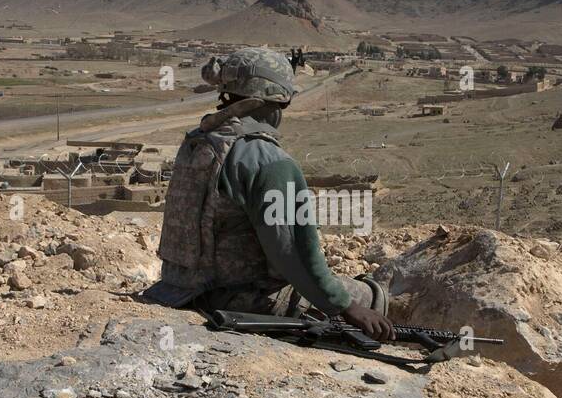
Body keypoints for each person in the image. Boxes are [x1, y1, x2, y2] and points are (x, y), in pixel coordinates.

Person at [144, 47, 394, 340]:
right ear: (275, 101)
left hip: (177, 290)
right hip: (236, 301)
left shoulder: (199, 143)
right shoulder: (267, 159)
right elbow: (295, 254)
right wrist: (347, 306)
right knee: (371, 296)